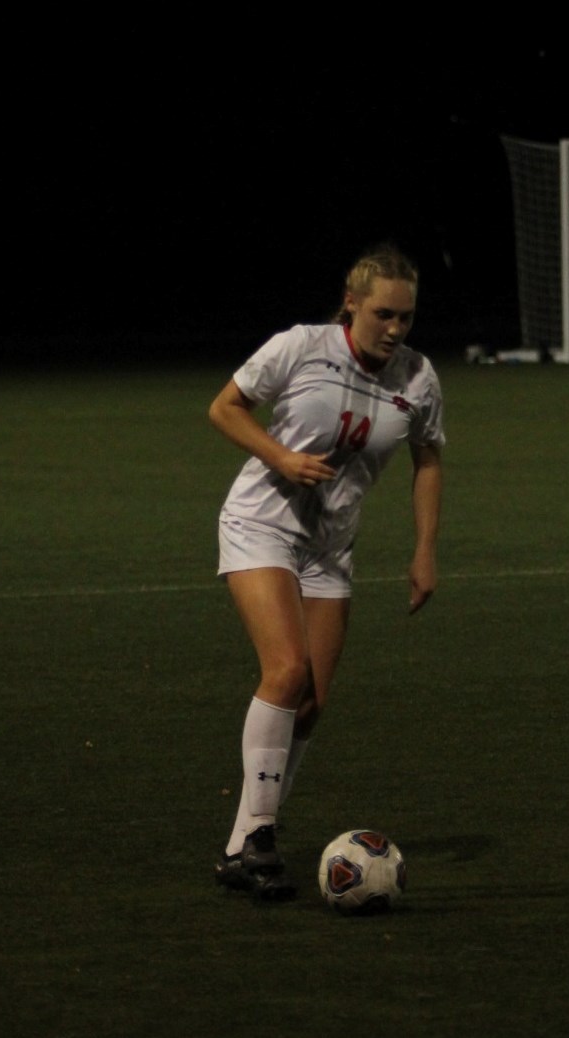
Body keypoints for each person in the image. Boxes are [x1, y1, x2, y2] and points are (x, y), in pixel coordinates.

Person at [207, 243, 445, 900]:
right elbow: (224, 407)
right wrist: (280, 457)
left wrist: (424, 549)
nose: (394, 329)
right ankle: (261, 837)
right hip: (261, 522)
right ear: (351, 303)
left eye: (405, 317)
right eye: (382, 314)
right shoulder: (301, 346)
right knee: (285, 670)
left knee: (310, 703)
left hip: (329, 547)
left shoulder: (417, 377)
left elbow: (428, 458)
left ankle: (239, 847)